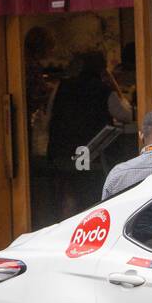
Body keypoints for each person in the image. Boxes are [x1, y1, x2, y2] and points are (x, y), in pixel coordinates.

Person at [48, 50, 131, 214]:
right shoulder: (103, 90)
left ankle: (65, 227)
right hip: (88, 153)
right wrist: (118, 91)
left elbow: (49, 115)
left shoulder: (62, 86)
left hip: (60, 151)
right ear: (102, 69)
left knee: (67, 192)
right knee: (88, 195)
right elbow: (126, 115)